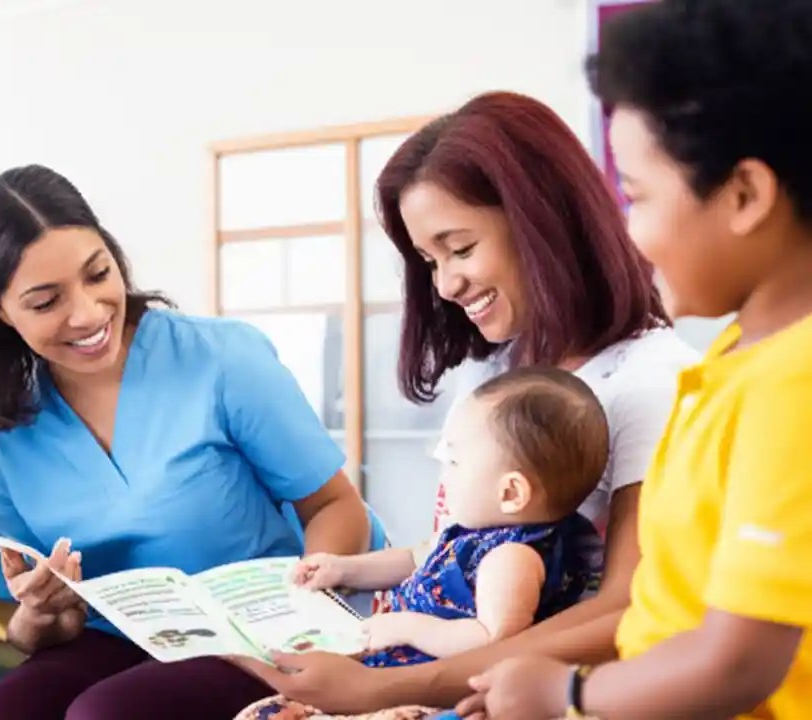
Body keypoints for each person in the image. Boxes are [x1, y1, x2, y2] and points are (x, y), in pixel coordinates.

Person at [232, 90, 699, 714]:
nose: (446, 284)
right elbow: (447, 554)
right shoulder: (501, 375)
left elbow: (626, 609)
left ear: (542, 223)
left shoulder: (649, 382)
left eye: (461, 248)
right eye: (429, 260)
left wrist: (380, 689)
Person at [464, 1, 812, 717]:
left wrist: (566, 694)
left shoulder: (794, 384)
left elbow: (737, 663)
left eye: (638, 197)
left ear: (745, 195)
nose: (630, 231)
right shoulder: (736, 353)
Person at [0, 164, 374, 720]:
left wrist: (299, 615)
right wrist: (43, 613)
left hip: (254, 631)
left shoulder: (222, 361)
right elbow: (35, 632)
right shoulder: (10, 438)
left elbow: (338, 506)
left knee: (106, 715)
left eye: (97, 274)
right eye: (47, 302)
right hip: (118, 639)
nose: (89, 313)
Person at [238, 367, 606, 719]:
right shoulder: (476, 532)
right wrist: (342, 568)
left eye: (455, 461)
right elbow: (415, 560)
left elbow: (493, 641)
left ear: (511, 492)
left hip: (429, 695)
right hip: (391, 670)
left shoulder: (511, 557)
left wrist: (408, 627)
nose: (442, 471)